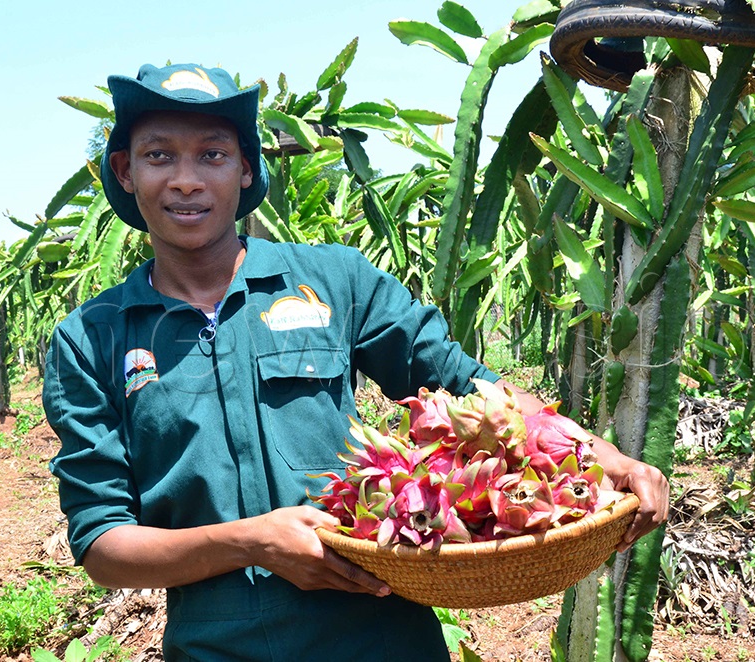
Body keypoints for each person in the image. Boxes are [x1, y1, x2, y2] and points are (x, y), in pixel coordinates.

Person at [43, 62, 669, 661]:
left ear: (246, 169)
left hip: (380, 633)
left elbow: (461, 383)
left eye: (212, 154)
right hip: (216, 646)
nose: (186, 179)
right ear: (125, 171)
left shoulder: (333, 281)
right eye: (159, 156)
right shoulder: (91, 339)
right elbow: (103, 547)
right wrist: (251, 543)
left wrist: (591, 453)